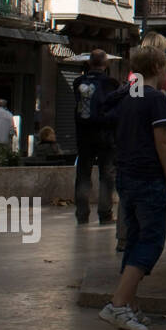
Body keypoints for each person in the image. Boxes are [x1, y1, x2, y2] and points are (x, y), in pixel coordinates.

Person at [98, 46, 166, 330]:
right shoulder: (155, 99)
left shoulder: (126, 96)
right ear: (158, 66)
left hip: (125, 174)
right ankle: (118, 304)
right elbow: (162, 143)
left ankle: (129, 305)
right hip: (148, 176)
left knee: (133, 239)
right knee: (152, 241)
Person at [73, 49, 120, 225]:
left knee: (83, 174)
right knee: (106, 175)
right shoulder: (110, 83)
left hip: (83, 135)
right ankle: (105, 213)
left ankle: (82, 213)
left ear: (89, 62)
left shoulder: (77, 82)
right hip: (105, 136)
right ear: (105, 63)